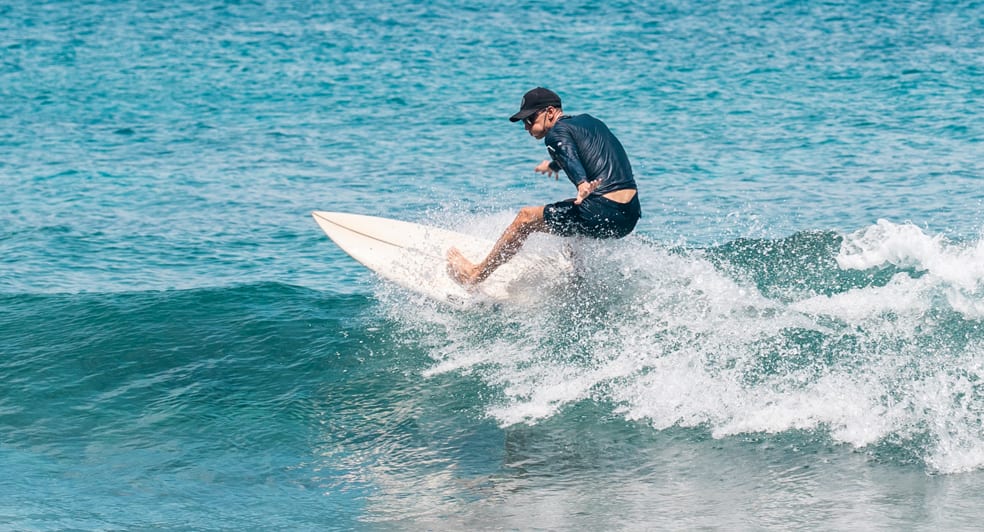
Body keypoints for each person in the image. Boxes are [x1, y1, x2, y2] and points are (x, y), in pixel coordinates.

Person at [447, 87, 641, 286]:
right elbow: (579, 152)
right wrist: (554, 165)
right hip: (628, 214)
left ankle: (475, 275)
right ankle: (578, 283)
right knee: (573, 218)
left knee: (525, 218)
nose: (526, 127)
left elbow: (567, 151)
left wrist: (581, 183)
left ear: (550, 112)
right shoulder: (590, 121)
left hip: (601, 210)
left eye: (530, 119)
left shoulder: (555, 133)